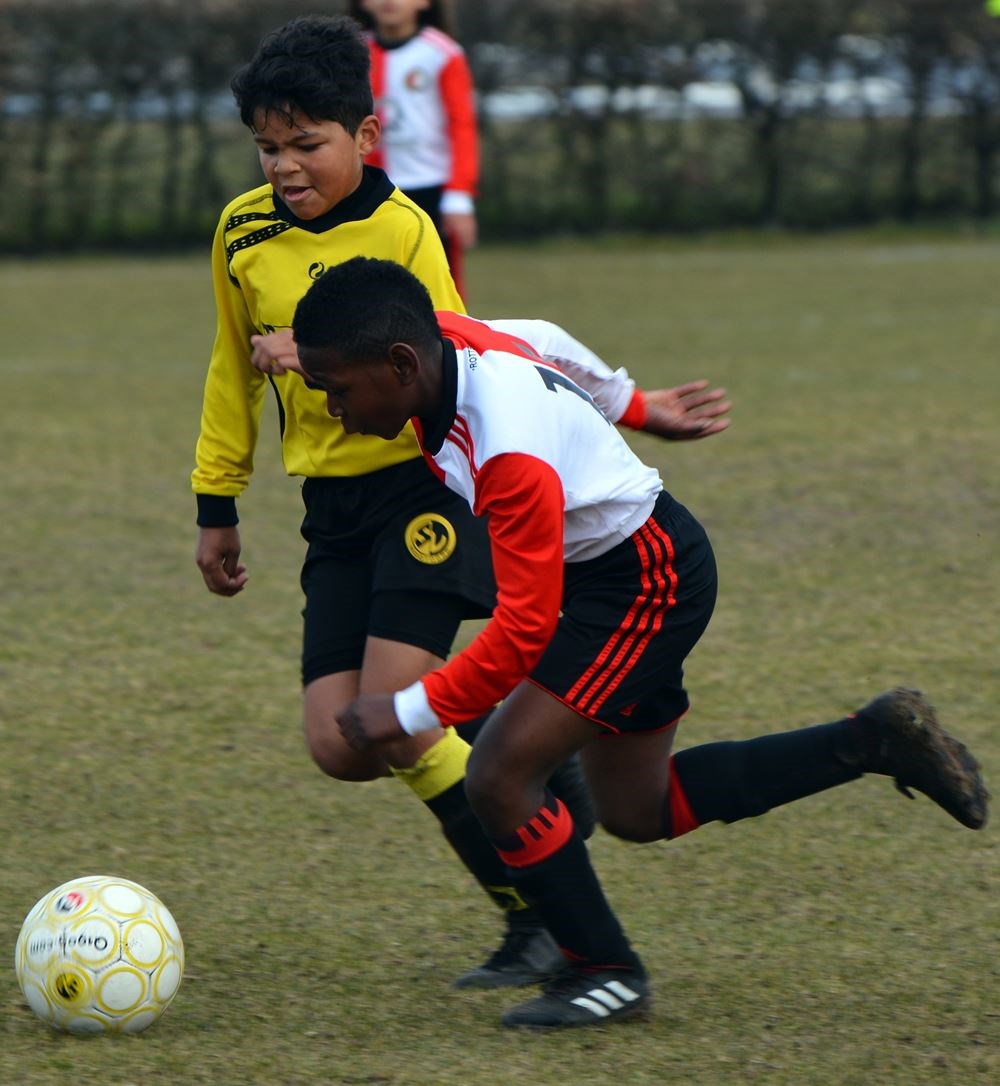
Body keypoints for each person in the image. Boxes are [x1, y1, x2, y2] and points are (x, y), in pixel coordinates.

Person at [289, 256, 990, 1031]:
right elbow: (545, 338)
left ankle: (607, 974)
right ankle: (875, 739)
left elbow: (522, 630)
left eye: (338, 390)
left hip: (641, 583)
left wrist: (412, 707)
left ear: (401, 363)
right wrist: (636, 405)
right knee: (639, 808)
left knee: (496, 777)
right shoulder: (450, 341)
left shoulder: (506, 452)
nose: (333, 409)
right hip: (617, 571)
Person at [192, 13, 594, 991]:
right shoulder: (242, 232)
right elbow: (227, 366)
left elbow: (446, 349)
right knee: (342, 745)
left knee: (399, 719)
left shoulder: (403, 229)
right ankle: (517, 755)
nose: (285, 166)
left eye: (307, 144)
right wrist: (216, 499)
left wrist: (320, 352)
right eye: (268, 147)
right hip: (329, 511)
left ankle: (548, 914)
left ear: (365, 138)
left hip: (417, 489)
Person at [348, 0, 478, 299]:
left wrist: (459, 196)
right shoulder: (351, 54)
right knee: (372, 286)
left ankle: (449, 343)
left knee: (439, 286)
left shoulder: (442, 53)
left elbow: (462, 125)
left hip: (431, 187)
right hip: (370, 187)